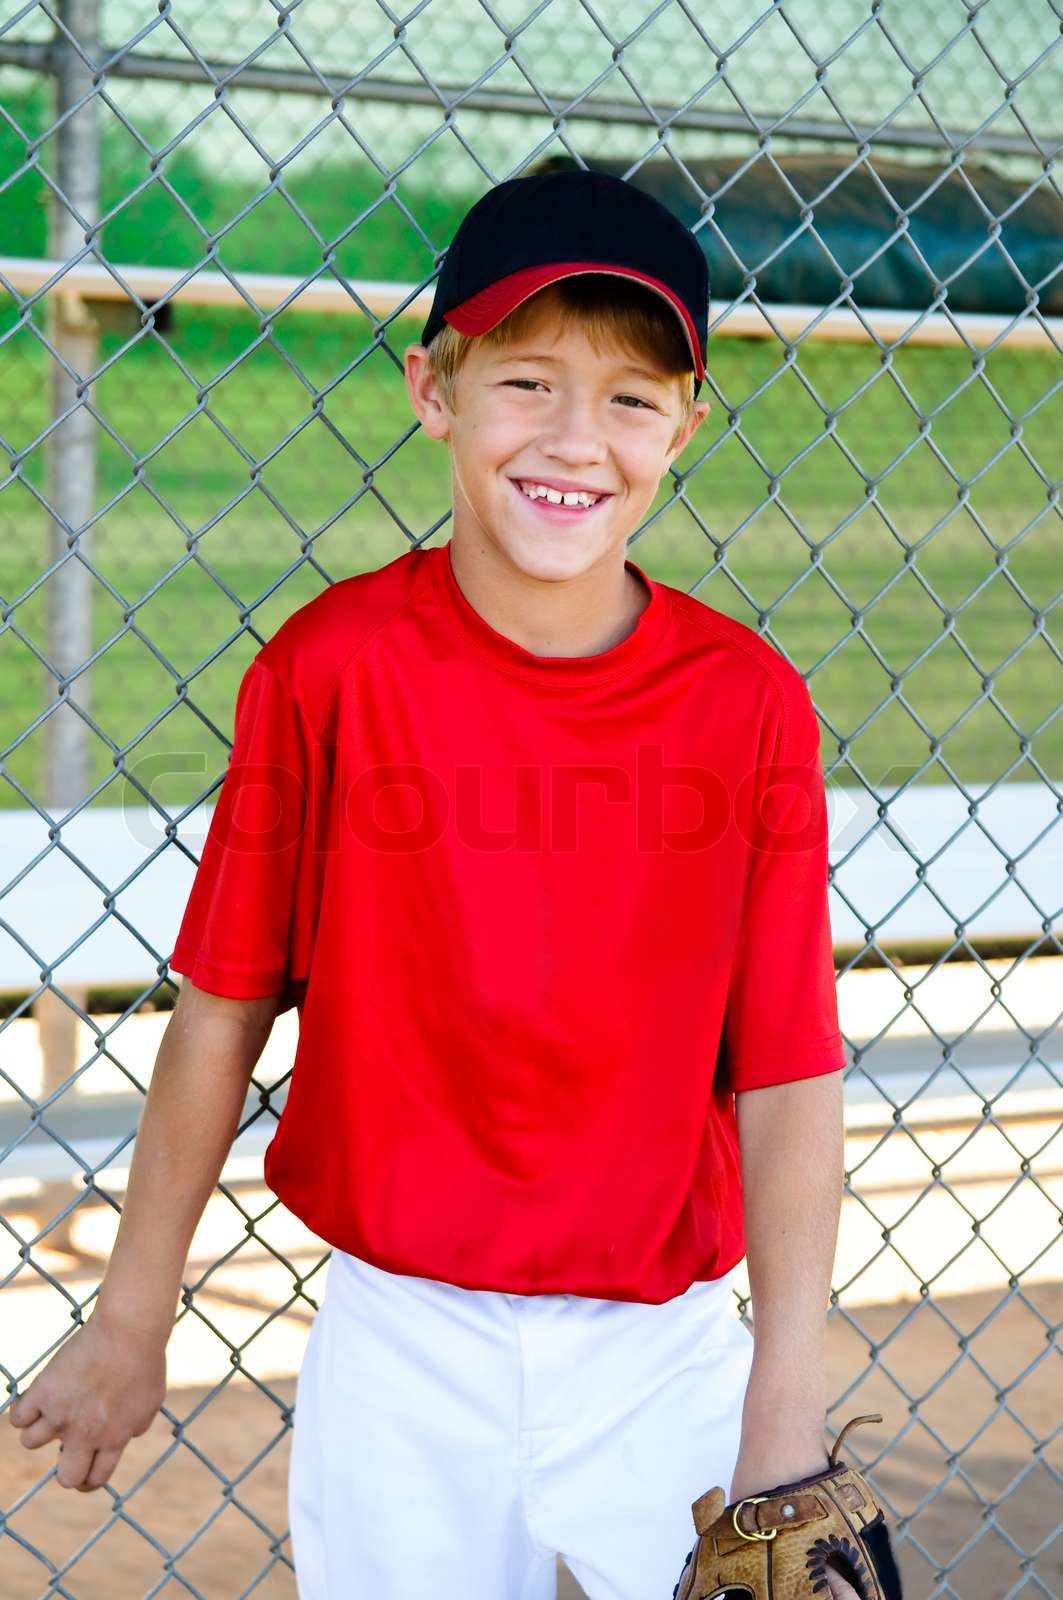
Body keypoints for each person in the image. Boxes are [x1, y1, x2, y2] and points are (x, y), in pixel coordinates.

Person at [7, 166, 863, 1600]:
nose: (576, 441)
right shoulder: (329, 674)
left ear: (687, 428)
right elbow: (220, 1014)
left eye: (635, 399)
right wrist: (131, 1322)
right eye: (526, 382)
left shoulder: (746, 705)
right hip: (402, 1346)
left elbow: (785, 1071)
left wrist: (780, 1416)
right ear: (434, 391)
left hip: (663, 1349)